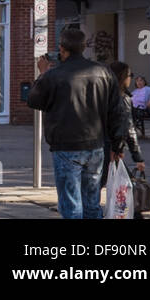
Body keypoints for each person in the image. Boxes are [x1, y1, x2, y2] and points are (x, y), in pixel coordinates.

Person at [27, 26, 127, 219]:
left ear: (62, 49)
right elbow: (117, 111)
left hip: (66, 145)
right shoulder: (104, 72)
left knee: (71, 203)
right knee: (92, 201)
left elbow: (34, 101)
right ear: (83, 47)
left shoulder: (53, 75)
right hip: (96, 145)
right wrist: (117, 143)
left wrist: (42, 73)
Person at [102, 62, 145, 206]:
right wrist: (136, 156)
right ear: (122, 77)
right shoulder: (122, 98)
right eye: (130, 75)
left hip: (96, 145)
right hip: (111, 148)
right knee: (125, 188)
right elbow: (127, 128)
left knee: (94, 187)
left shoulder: (101, 93)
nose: (131, 79)